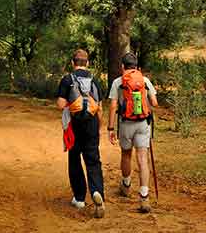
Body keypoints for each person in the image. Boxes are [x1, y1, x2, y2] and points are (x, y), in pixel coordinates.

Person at [56, 49, 105, 218]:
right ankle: (97, 192)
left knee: (75, 159)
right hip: (91, 123)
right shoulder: (95, 81)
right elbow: (99, 108)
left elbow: (61, 104)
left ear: (72, 62)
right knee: (93, 160)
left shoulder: (67, 79)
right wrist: (99, 127)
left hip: (74, 124)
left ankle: (79, 198)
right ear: (88, 63)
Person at [108, 52, 158, 213]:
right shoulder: (145, 80)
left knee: (126, 154)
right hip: (143, 123)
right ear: (137, 67)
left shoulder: (118, 82)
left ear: (122, 66)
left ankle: (126, 185)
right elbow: (155, 103)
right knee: (143, 159)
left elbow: (114, 106)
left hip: (126, 124)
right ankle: (144, 197)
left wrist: (110, 128)